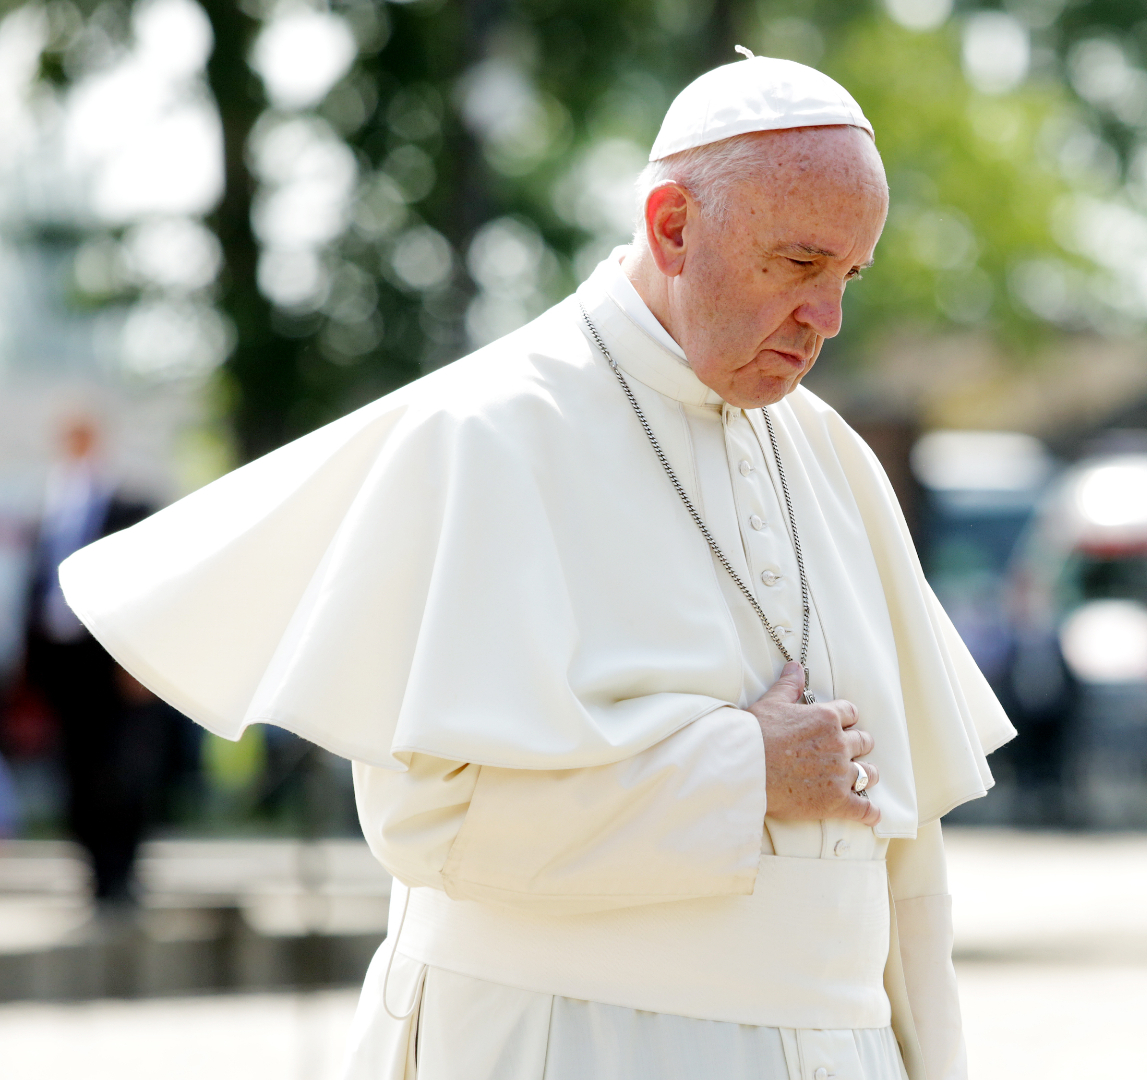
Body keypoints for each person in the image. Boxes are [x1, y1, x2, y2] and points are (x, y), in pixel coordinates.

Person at [60, 53, 1012, 1080]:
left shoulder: (835, 461)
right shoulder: (487, 434)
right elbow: (435, 821)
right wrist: (749, 772)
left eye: (847, 276)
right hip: (573, 1041)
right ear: (673, 228)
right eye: (796, 264)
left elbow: (904, 870)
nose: (826, 319)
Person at [19, 413, 159, 906]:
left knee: (120, 772)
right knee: (75, 772)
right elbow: (36, 591)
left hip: (112, 665)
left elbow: (144, 585)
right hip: (64, 666)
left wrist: (136, 661)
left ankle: (123, 875)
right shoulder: (53, 508)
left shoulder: (128, 504)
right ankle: (95, 875)